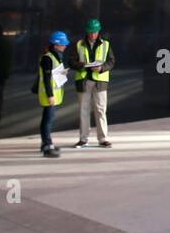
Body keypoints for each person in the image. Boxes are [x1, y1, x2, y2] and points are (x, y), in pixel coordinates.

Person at [68, 18, 114, 148]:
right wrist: (82, 65)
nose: (92, 34)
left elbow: (111, 62)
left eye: (95, 32)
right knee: (84, 110)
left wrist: (101, 68)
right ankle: (83, 139)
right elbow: (71, 61)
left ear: (98, 31)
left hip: (100, 81)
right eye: (90, 32)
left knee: (100, 110)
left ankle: (103, 139)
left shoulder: (106, 44)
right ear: (87, 31)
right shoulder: (79, 44)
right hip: (84, 80)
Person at [37, 30, 70, 158]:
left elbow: (52, 75)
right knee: (47, 121)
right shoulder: (47, 58)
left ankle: (45, 144)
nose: (65, 46)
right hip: (48, 94)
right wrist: (50, 95)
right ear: (55, 45)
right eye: (62, 44)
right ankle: (47, 146)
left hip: (52, 94)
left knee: (48, 119)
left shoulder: (56, 56)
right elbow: (46, 79)